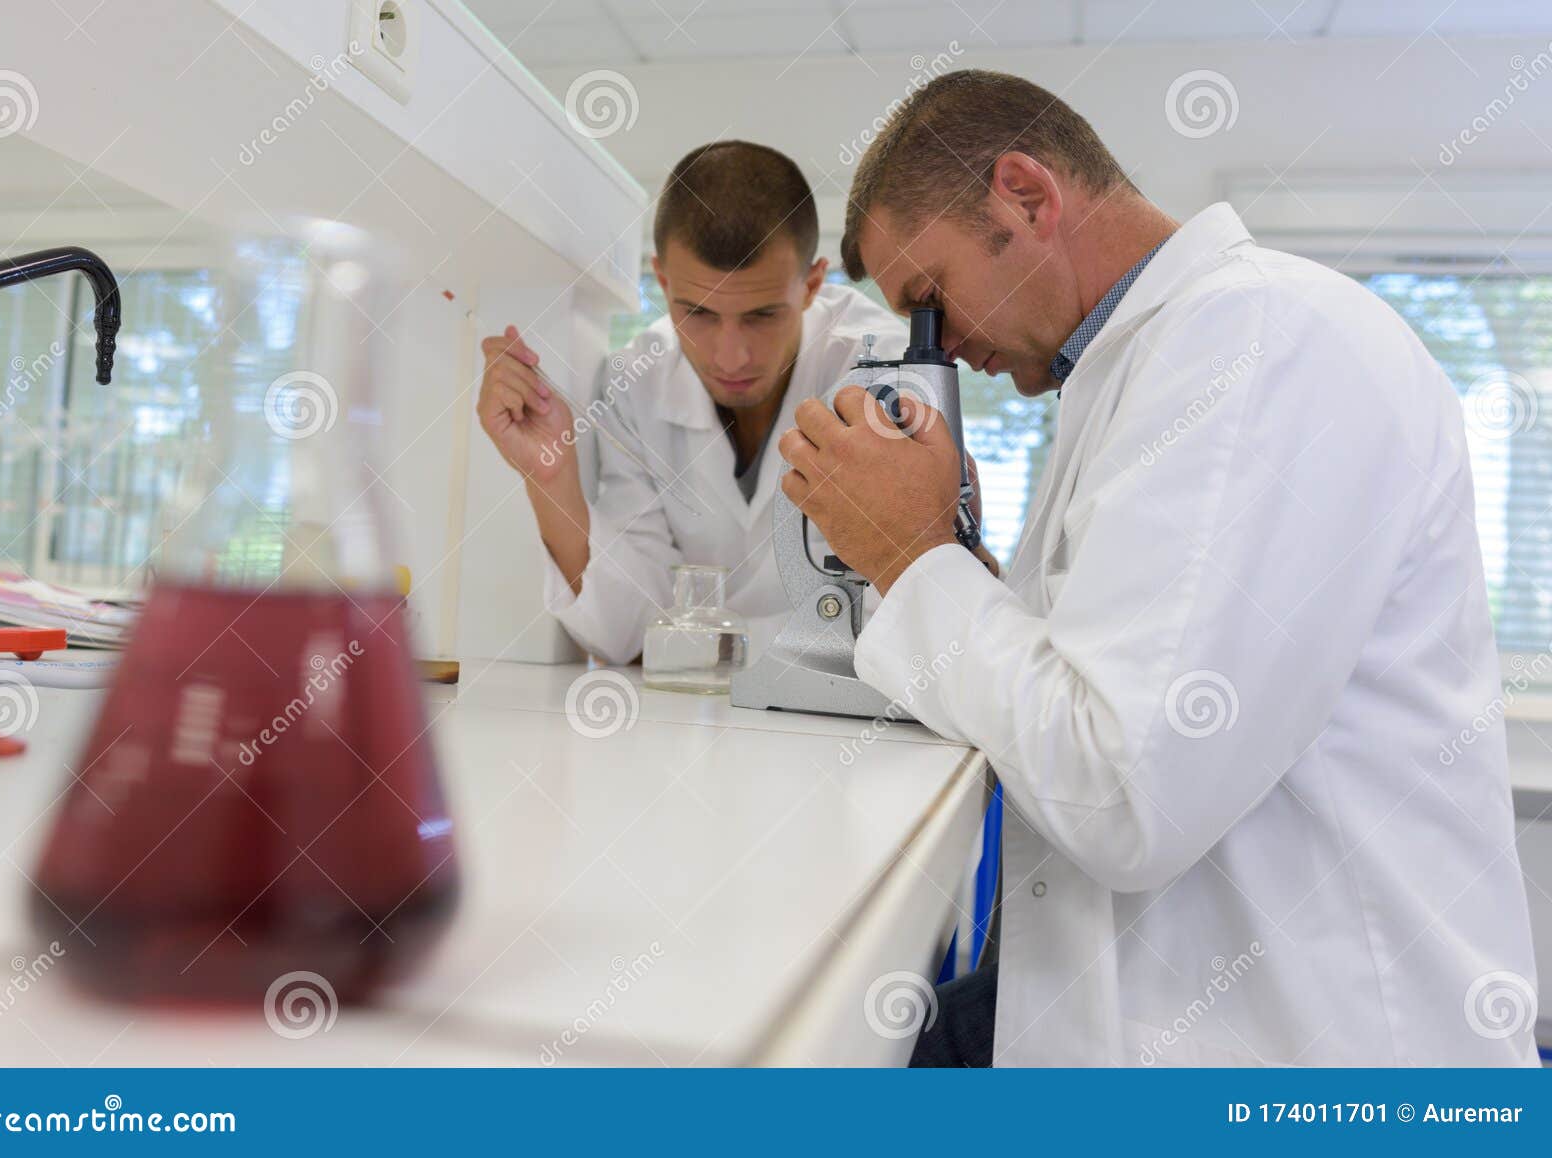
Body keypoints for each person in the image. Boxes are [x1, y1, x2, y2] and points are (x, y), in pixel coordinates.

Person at [778, 69, 1539, 1066]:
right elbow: (1084, 674)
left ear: (1027, 194)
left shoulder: (1258, 342)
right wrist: (950, 556)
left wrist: (913, 558)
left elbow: (1127, 792)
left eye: (931, 300)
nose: (943, 350)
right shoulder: (1133, 373)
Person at [475, 140, 910, 664]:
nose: (730, 356)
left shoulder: (882, 369)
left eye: (762, 315)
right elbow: (628, 634)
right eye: (698, 313)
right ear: (661, 281)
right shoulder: (634, 383)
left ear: (812, 285)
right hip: (690, 720)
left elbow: (894, 623)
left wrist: (693, 646)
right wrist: (550, 480)